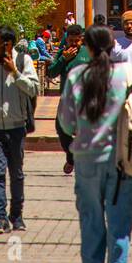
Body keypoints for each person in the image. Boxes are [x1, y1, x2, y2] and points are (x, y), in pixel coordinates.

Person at [56, 26, 132, 263]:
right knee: (119, 229)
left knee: (91, 226)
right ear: (112, 45)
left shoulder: (75, 76)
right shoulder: (126, 75)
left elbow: (66, 124)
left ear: (87, 48)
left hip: (86, 160)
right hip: (120, 161)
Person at [0, 27, 38, 232]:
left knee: (17, 173)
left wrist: (15, 72)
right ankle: (0, 217)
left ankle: (17, 215)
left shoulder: (23, 61)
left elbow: (33, 89)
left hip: (16, 128)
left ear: (8, 44)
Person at [48, 23, 88, 174]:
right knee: (61, 129)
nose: (73, 44)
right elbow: (51, 73)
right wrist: (63, 60)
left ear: (81, 39)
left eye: (76, 41)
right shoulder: (63, 53)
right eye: (71, 40)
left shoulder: (88, 52)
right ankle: (71, 157)